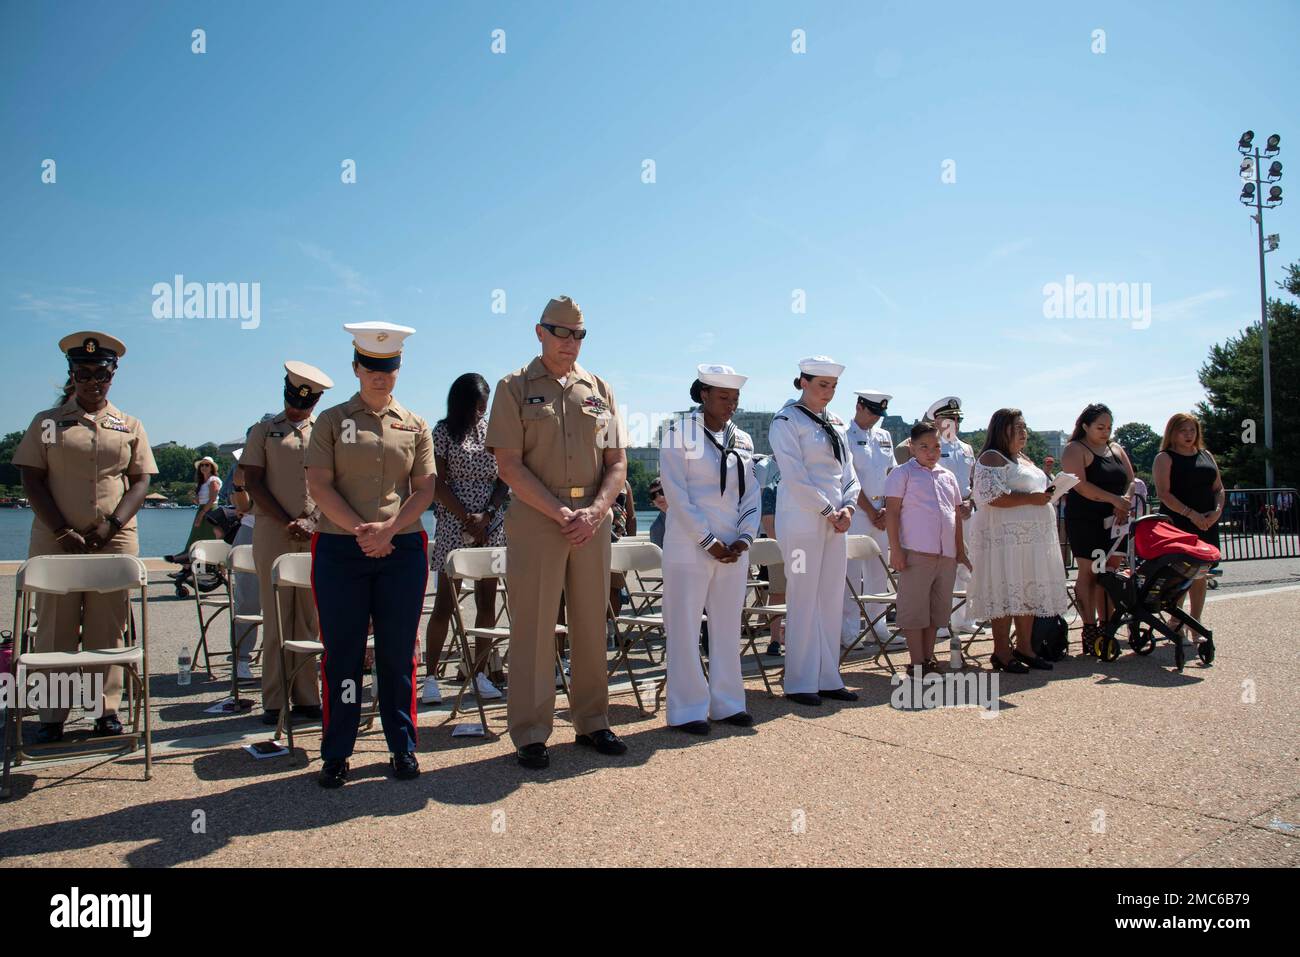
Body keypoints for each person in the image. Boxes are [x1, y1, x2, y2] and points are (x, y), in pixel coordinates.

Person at [486, 296, 630, 769]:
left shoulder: (599, 388)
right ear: (539, 332)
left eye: (579, 334)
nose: (571, 342)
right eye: (561, 332)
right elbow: (508, 465)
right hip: (536, 518)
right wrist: (559, 511)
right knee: (534, 626)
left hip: (591, 521)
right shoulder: (513, 388)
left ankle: (593, 721)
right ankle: (530, 731)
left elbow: (617, 462)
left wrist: (594, 512)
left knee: (591, 621)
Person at [305, 323, 435, 788]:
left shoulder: (416, 425)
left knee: (399, 653)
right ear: (357, 367)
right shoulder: (330, 420)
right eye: (373, 367)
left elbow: (424, 490)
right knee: (342, 655)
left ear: (399, 368)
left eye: (390, 367)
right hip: (341, 547)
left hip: (402, 547)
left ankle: (402, 745)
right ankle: (337, 752)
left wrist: (389, 530)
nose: (381, 375)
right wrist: (361, 531)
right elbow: (319, 484)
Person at [13, 331, 158, 742]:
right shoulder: (47, 423)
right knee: (54, 628)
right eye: (84, 372)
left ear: (114, 375)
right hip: (56, 540)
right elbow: (32, 478)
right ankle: (51, 716)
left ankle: (104, 710)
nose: (93, 380)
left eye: (102, 373)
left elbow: (140, 481)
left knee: (106, 627)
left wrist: (111, 525)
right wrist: (62, 528)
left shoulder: (129, 425)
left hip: (112, 540)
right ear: (72, 374)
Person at [659, 364, 760, 734]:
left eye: (735, 398)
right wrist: (707, 541)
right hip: (689, 546)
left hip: (733, 546)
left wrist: (745, 537)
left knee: (728, 627)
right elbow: (677, 494)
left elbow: (750, 494)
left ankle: (728, 703)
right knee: (684, 628)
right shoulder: (678, 434)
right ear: (703, 395)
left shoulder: (744, 440)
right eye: (723, 397)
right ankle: (687, 710)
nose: (731, 404)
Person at [242, 362, 333, 727]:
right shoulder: (265, 430)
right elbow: (253, 480)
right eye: (294, 398)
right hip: (273, 530)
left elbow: (333, 481)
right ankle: (275, 697)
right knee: (277, 615)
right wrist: (287, 521)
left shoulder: (324, 431)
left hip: (315, 528)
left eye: (306, 402)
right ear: (286, 393)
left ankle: (308, 695)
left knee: (309, 616)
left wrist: (312, 520)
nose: (298, 406)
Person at [768, 356, 860, 706]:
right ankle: (799, 680)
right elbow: (793, 475)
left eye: (834, 387)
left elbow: (849, 473)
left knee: (831, 598)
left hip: (836, 520)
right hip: (803, 519)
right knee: (804, 596)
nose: (829, 393)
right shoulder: (786, 420)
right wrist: (828, 510)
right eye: (823, 385)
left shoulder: (836, 422)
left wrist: (848, 506)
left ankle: (827, 675)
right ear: (803, 382)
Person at [422, 372, 509, 705]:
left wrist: (486, 515)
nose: (480, 413)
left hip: (490, 523)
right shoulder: (443, 432)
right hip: (452, 523)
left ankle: (481, 672)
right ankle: (431, 677)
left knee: (488, 601)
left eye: (484, 407)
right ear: (462, 403)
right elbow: (438, 483)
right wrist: (465, 517)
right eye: (476, 407)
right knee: (446, 602)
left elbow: (505, 479)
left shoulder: (492, 432)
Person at [968, 409, 1070, 673]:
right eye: (1018, 427)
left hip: (1032, 539)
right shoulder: (992, 457)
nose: (1024, 432)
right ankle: (1001, 651)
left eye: (1025, 427)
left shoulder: (1023, 458)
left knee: (1027, 591)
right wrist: (1029, 499)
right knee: (1005, 591)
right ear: (1002, 429)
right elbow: (989, 496)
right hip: (1005, 539)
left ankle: (1025, 647)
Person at [885, 422, 968, 675]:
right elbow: (892, 514)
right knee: (914, 609)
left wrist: (960, 550)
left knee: (936, 610)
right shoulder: (902, 474)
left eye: (936, 447)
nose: (931, 452)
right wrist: (896, 550)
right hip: (917, 552)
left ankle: (929, 657)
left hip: (946, 554)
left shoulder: (947, 475)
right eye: (924, 447)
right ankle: (917, 661)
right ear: (911, 447)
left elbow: (954, 515)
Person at [1061, 403, 1134, 656]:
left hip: (1116, 519)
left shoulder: (1116, 449)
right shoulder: (1075, 449)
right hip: (1086, 518)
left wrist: (1124, 501)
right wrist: (1114, 500)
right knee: (1090, 572)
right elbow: (1080, 486)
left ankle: (1108, 625)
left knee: (1111, 572)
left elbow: (1131, 480)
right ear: (1085, 426)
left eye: (1109, 427)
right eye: (1100, 427)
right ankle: (1089, 627)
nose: (1105, 432)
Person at [1153, 412, 1223, 640]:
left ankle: (1195, 621)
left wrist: (1217, 512)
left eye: (1192, 430)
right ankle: (1176, 619)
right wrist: (1190, 514)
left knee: (1201, 574)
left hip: (1206, 522)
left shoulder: (1206, 455)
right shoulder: (1165, 457)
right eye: (1183, 430)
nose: (1188, 435)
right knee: (1179, 572)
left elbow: (1218, 488)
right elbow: (1164, 494)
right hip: (1179, 522)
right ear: (1172, 433)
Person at [841, 389, 898, 649]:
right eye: (873, 412)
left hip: (882, 512)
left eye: (880, 413)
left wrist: (886, 507)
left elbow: (892, 474)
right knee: (851, 575)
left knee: (879, 574)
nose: (876, 418)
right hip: (857, 511)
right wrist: (872, 510)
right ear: (859, 407)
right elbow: (849, 477)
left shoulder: (884, 436)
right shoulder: (845, 435)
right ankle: (849, 630)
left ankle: (879, 626)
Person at [928, 397, 978, 636]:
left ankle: (964, 619)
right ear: (937, 421)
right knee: (943, 568)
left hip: (967, 513)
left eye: (957, 418)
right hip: (943, 514)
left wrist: (970, 502)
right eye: (949, 418)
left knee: (966, 565)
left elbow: (973, 482)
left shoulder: (966, 448)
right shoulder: (932, 448)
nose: (954, 422)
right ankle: (941, 621)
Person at [165, 456, 223, 562]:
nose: (204, 467)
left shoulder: (213, 480)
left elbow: (212, 499)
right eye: (202, 465)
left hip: (210, 511)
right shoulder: (203, 482)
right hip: (203, 509)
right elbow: (202, 500)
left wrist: (202, 514)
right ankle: (190, 564)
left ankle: (191, 562)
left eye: (207, 465)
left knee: (205, 538)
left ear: (212, 467)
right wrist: (195, 499)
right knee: (197, 537)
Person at [647, 476, 667, 549]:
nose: (658, 496)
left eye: (662, 491)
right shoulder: (655, 529)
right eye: (653, 495)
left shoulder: (689, 515)